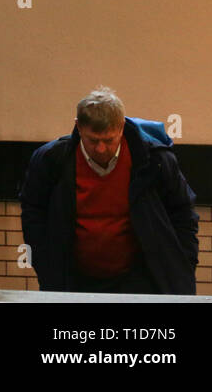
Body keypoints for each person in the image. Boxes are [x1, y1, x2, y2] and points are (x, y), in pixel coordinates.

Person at [19, 86, 199, 294]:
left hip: (141, 278)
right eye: (93, 140)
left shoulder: (155, 160)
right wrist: (46, 266)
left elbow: (184, 213)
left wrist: (183, 265)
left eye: (109, 140)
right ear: (78, 128)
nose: (101, 149)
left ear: (121, 127)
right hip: (73, 279)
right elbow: (33, 213)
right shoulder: (52, 161)